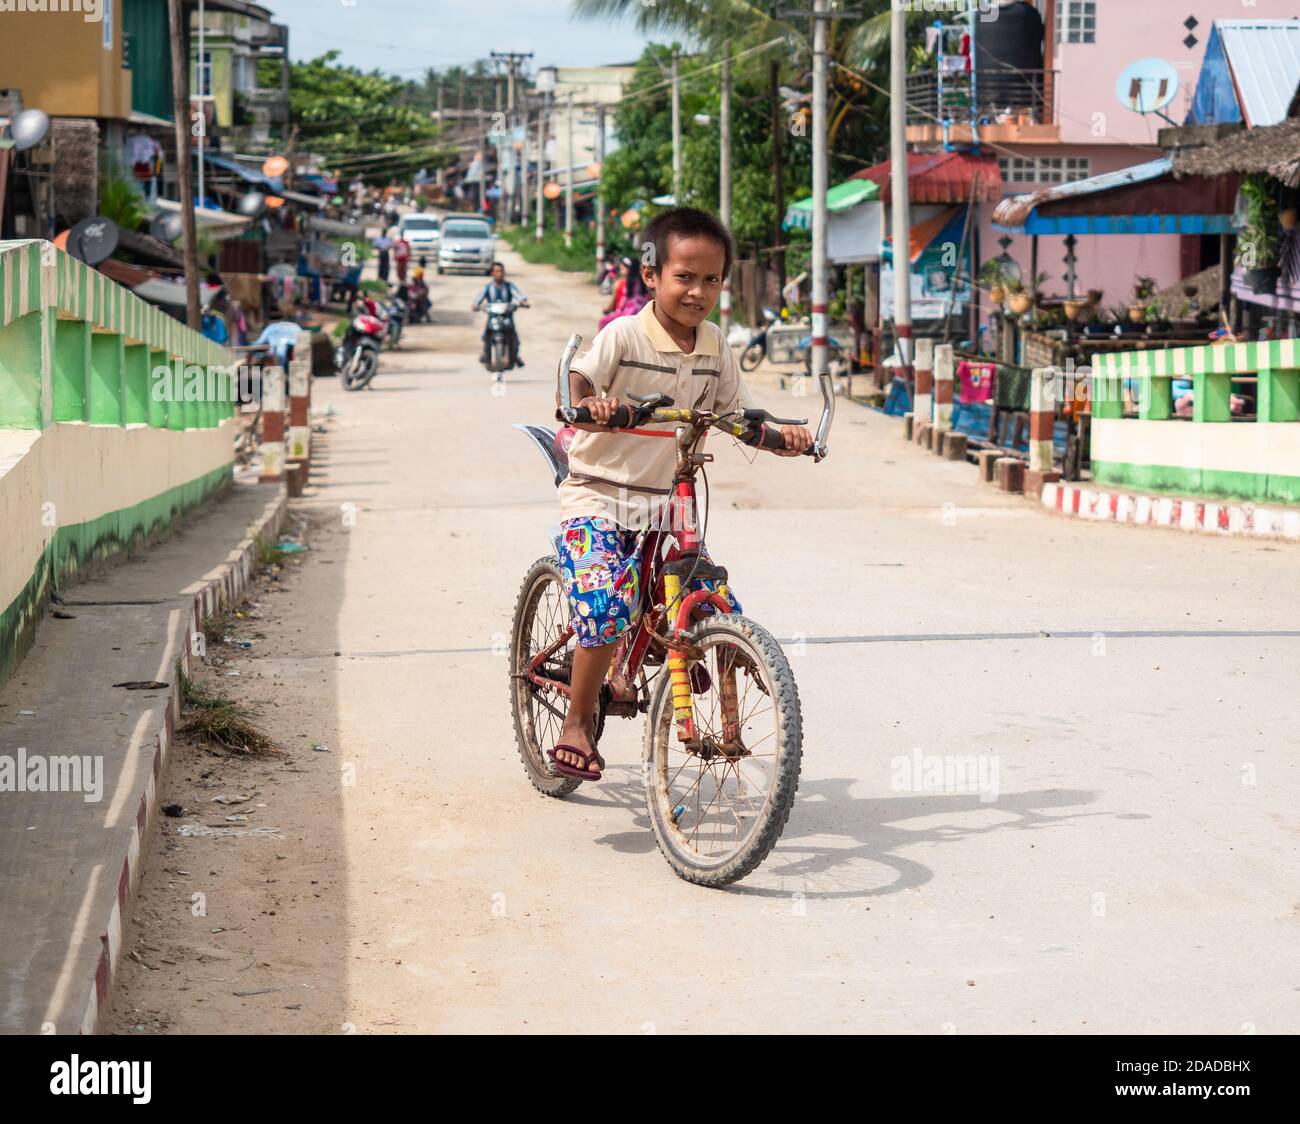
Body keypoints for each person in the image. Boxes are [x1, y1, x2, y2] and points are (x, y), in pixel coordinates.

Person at [548, 207, 812, 781]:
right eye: (684, 277)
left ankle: (687, 655)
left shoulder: (716, 345)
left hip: (669, 501)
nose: (698, 291)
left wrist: (781, 436)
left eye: (711, 279)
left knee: (711, 592)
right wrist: (594, 404)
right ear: (652, 275)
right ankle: (576, 721)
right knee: (606, 607)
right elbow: (581, 381)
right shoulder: (623, 333)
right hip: (599, 496)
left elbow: (735, 415)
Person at [472, 261, 528, 368]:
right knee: (485, 335)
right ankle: (485, 353)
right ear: (492, 273)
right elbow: (479, 297)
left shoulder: (509, 286)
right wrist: (475, 305)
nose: (500, 273)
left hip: (507, 318)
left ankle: (515, 355)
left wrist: (522, 302)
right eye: (497, 271)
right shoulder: (488, 287)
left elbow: (518, 295)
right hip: (493, 318)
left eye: (501, 271)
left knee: (514, 337)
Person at [598, 256, 649, 329]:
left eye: (624, 265)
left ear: (630, 268)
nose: (621, 265)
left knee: (603, 321)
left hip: (628, 314)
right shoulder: (643, 282)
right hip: (641, 315)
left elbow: (617, 304)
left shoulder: (623, 284)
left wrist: (606, 310)